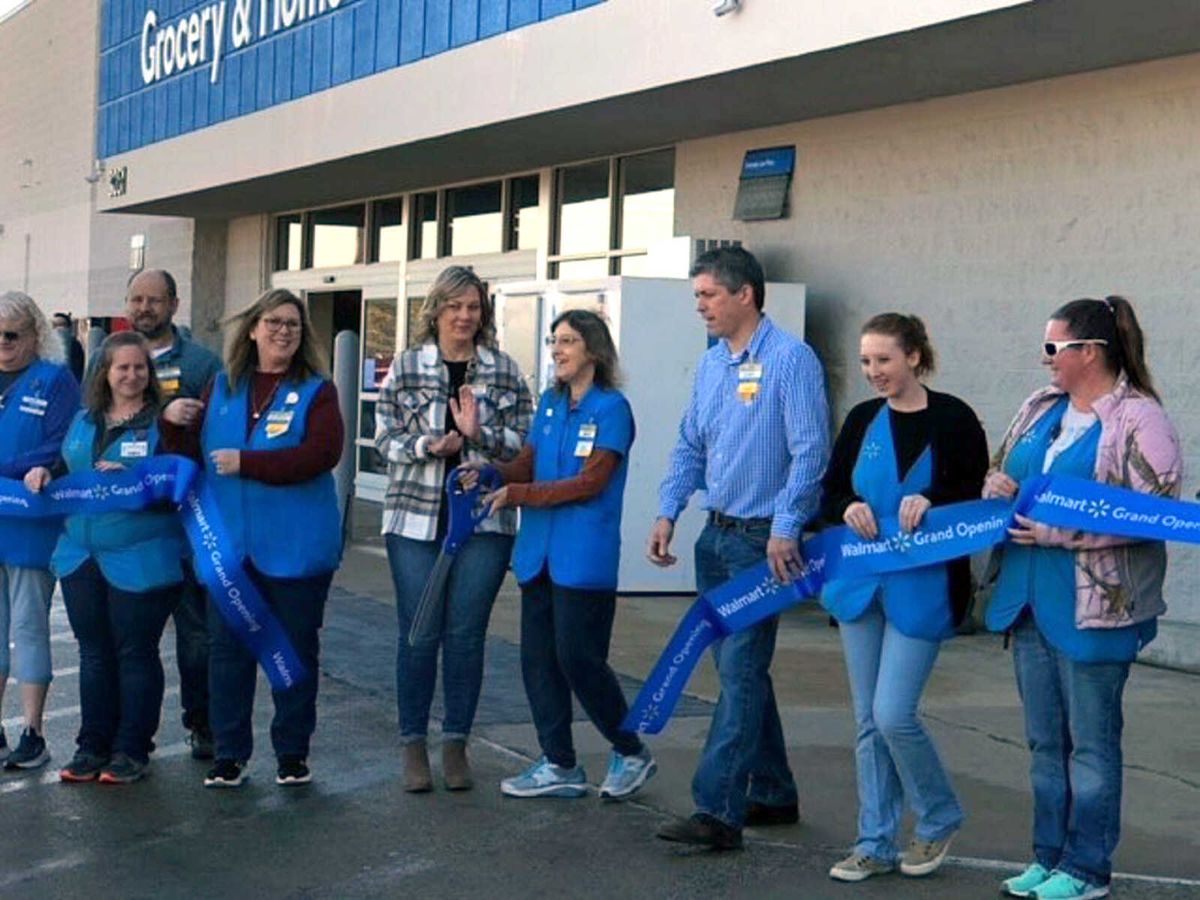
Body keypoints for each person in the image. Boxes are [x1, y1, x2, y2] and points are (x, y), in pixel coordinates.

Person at [983, 297, 1181, 900]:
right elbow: (1003, 470)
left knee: (1092, 746)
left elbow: (1158, 515)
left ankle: (1088, 868)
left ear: (1088, 353)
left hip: (1097, 609)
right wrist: (997, 485)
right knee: (1046, 742)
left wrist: (1063, 532)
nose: (1044, 360)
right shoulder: (1039, 408)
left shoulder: (1141, 418)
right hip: (1028, 599)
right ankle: (1048, 857)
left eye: (1052, 348)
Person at [649, 246, 830, 850]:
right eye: (698, 295)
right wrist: (668, 510)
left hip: (761, 543)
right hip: (716, 537)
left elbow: (810, 450)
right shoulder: (711, 366)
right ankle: (774, 792)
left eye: (708, 295)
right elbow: (688, 445)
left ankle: (717, 811)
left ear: (745, 295)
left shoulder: (790, 359)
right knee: (739, 670)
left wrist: (786, 526)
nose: (699, 306)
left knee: (742, 673)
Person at [819, 314, 987, 881]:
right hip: (861, 581)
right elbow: (832, 488)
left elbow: (976, 499)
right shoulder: (863, 418)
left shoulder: (956, 419)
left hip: (923, 584)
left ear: (915, 356)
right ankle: (876, 841)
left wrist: (934, 502)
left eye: (883, 360)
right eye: (866, 361)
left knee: (894, 714)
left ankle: (938, 816)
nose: (873, 372)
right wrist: (846, 506)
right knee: (867, 719)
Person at [472, 310, 657, 800]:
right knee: (538, 661)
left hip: (583, 558)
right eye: (554, 340)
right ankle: (559, 763)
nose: (557, 349)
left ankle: (630, 749)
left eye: (568, 341)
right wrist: (493, 473)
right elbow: (528, 463)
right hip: (538, 555)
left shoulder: (612, 409)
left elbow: (590, 483)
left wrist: (519, 496)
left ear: (593, 350)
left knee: (579, 657)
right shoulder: (550, 404)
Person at [162, 288, 344, 788]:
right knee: (228, 653)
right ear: (253, 329)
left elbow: (321, 454)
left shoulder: (317, 390)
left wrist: (250, 464)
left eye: (293, 324)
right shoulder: (221, 387)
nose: (283, 331)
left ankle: (291, 753)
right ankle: (229, 753)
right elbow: (191, 460)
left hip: (298, 549)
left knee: (295, 652)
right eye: (274, 322)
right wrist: (171, 425)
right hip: (231, 551)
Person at [374, 266, 532, 793]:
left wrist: (475, 434)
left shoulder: (504, 370)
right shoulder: (406, 366)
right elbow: (383, 441)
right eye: (454, 306)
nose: (464, 316)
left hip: (485, 520)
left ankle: (456, 742)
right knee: (419, 633)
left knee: (466, 636)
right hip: (415, 519)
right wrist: (428, 446)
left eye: (473, 307)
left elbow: (523, 449)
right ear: (435, 310)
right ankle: (413, 743)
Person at [25, 333, 185, 784]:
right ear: (105, 373)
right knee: (94, 653)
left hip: (143, 557)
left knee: (135, 653)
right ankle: (91, 746)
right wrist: (44, 472)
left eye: (140, 368)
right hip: (81, 555)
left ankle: (132, 749)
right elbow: (65, 467)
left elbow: (180, 487)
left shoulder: (165, 425)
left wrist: (137, 479)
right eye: (122, 368)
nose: (132, 375)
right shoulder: (84, 420)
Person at [101, 269, 221, 760]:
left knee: (195, 634)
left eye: (154, 299)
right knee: (127, 640)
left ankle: (203, 724)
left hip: (185, 519)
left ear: (174, 303)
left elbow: (215, 434)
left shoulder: (201, 362)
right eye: (136, 299)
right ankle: (124, 736)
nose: (144, 307)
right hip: (126, 526)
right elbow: (93, 423)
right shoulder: (103, 357)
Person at [0, 291, 81, 770]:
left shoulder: (55, 381)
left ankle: (33, 730)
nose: (3, 343)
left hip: (29, 523)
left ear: (35, 335)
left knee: (29, 626)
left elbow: (60, 442)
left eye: (12, 334)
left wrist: (9, 469)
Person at [51, 312, 85, 383]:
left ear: (68, 328)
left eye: (62, 325)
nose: (59, 329)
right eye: (55, 325)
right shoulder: (47, 347)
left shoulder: (75, 345)